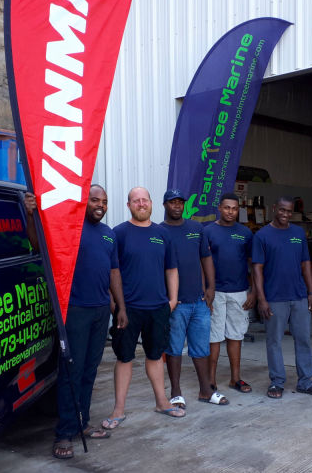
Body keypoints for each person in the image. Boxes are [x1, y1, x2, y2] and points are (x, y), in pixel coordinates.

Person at [25, 185, 128, 460]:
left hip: (100, 310)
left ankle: (82, 423)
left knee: (89, 371)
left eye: (104, 201)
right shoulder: (69, 227)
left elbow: (114, 271)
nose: (100, 205)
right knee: (71, 370)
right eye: (95, 200)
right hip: (74, 310)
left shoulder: (109, 235)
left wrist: (120, 306)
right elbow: (38, 246)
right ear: (84, 201)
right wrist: (30, 215)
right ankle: (65, 432)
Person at [103, 187, 184, 428]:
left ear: (151, 203)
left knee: (155, 356)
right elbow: (109, 272)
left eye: (144, 200)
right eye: (136, 201)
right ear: (129, 205)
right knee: (124, 358)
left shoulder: (162, 234)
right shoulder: (119, 233)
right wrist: (114, 304)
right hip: (127, 310)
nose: (141, 204)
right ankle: (118, 410)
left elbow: (171, 269)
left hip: (158, 308)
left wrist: (172, 300)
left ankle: (162, 401)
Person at [252, 196, 312, 399]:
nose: (285, 215)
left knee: (303, 339)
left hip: (299, 296)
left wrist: (311, 293)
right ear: (274, 208)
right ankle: (276, 382)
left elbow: (305, 264)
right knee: (274, 341)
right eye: (282, 210)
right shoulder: (262, 235)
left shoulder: (298, 233)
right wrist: (261, 299)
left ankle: (305, 381)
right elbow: (257, 269)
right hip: (275, 298)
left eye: (289, 211)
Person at [161, 189, 228, 408]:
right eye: (173, 202)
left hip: (198, 301)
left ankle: (205, 391)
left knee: (201, 348)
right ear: (165, 205)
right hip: (176, 304)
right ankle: (176, 393)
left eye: (180, 202)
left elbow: (206, 258)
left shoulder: (196, 228)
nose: (177, 206)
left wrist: (211, 287)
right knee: (174, 348)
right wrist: (167, 298)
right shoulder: (158, 231)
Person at [202, 193, 256, 394]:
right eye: (227, 208)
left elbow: (254, 264)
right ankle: (211, 380)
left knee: (236, 336)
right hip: (215, 293)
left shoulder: (245, 233)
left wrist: (254, 291)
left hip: (240, 292)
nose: (230, 212)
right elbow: (201, 262)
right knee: (214, 337)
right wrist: (206, 289)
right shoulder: (208, 231)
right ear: (219, 208)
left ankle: (235, 379)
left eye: (234, 208)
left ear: (238, 209)